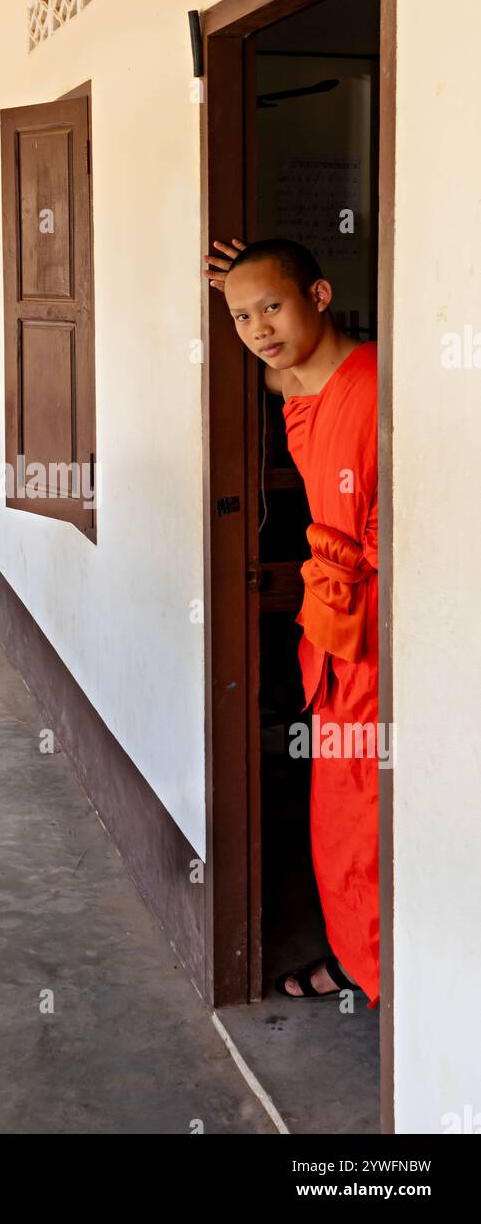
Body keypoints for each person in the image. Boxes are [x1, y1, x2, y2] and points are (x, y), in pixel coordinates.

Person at [203, 237, 379, 1007]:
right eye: (241, 316)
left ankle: (383, 978)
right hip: (335, 635)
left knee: (370, 816)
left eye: (272, 305)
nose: (256, 327)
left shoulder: (378, 386)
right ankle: (356, 959)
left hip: (378, 639)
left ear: (319, 295)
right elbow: (282, 375)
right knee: (338, 813)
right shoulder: (309, 387)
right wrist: (247, 281)